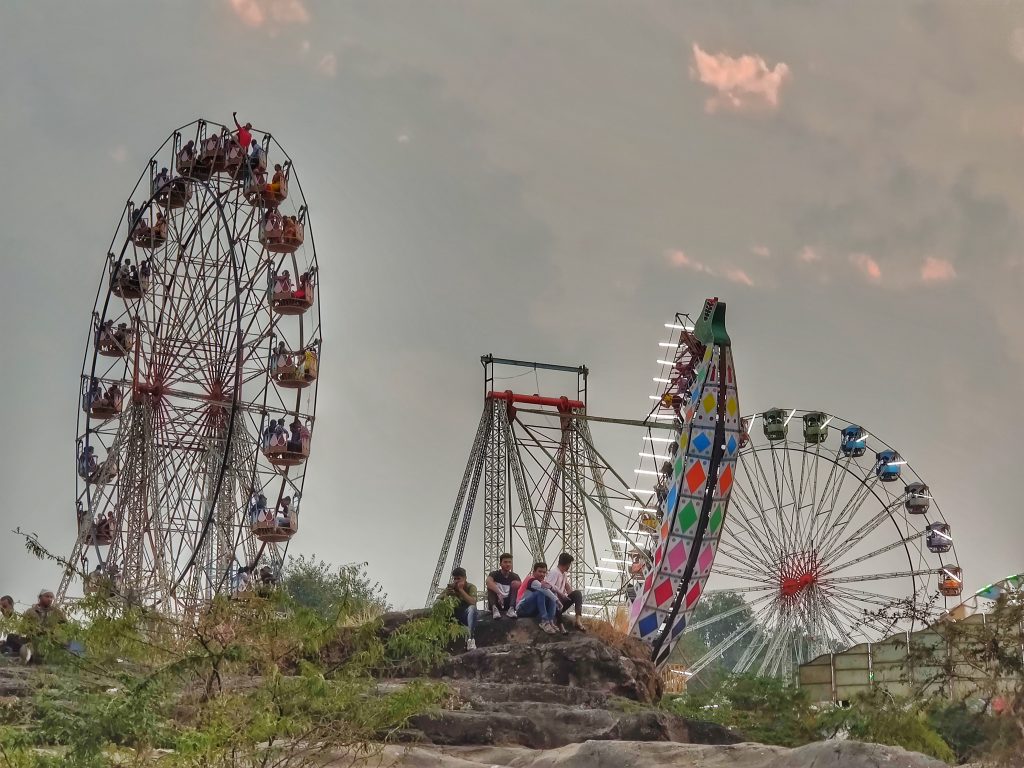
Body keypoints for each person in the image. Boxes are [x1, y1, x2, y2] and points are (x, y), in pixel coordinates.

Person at [21, 590, 67, 664]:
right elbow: (23, 628)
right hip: (34, 641)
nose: (49, 599)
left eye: (51, 597)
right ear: (40, 597)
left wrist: (56, 632)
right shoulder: (31, 612)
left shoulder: (57, 612)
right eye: (47, 596)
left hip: (52, 641)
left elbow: (65, 626)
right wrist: (35, 630)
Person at [543, 553, 586, 633]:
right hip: (553, 603)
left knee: (577, 593)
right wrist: (561, 596)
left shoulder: (564, 574)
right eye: (569, 564)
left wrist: (572, 597)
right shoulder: (554, 572)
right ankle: (560, 625)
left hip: (562, 601)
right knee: (555, 597)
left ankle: (578, 619)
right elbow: (548, 587)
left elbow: (567, 586)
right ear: (567, 564)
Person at [440, 567, 478, 650]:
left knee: (472, 609)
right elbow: (438, 600)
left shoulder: (470, 587)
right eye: (455, 579)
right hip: (453, 614)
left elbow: (473, 602)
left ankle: (471, 639)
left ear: (465, 578)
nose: (456, 581)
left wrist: (461, 590)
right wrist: (447, 594)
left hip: (465, 614)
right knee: (441, 607)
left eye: (459, 579)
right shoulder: (452, 587)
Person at [515, 562, 558, 634]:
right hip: (521, 609)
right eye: (540, 571)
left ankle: (550, 621)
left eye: (544, 572)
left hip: (532, 610)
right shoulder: (531, 579)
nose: (542, 574)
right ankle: (545, 622)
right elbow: (543, 589)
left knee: (551, 593)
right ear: (534, 572)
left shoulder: (542, 582)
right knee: (542, 592)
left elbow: (552, 590)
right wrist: (557, 601)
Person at [486, 553, 521, 619]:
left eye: (509, 562)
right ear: (500, 564)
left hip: (508, 602)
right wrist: (499, 593)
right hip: (497, 601)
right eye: (505, 562)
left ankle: (511, 609)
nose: (508, 564)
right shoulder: (494, 574)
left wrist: (517, 584)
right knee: (490, 587)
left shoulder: (515, 576)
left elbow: (520, 586)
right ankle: (495, 609)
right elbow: (488, 582)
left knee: (515, 584)